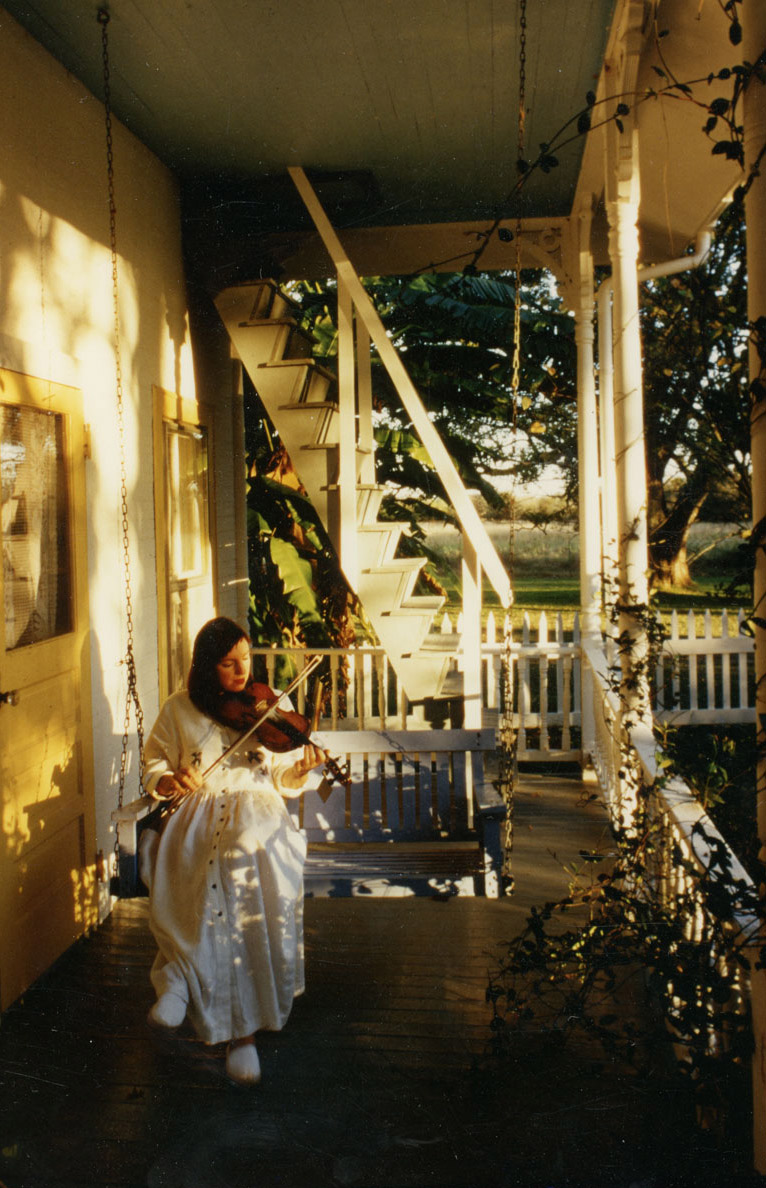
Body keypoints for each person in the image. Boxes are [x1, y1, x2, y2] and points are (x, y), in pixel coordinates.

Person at [139, 616, 325, 1085]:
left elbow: (283, 778)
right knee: (199, 860)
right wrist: (168, 778)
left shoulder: (268, 705)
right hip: (198, 811)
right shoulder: (179, 708)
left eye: (245, 660)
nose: (242, 673)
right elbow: (155, 761)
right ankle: (180, 981)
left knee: (243, 859)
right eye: (228, 664)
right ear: (206, 667)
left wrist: (299, 771)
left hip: (256, 809)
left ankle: (238, 1033)